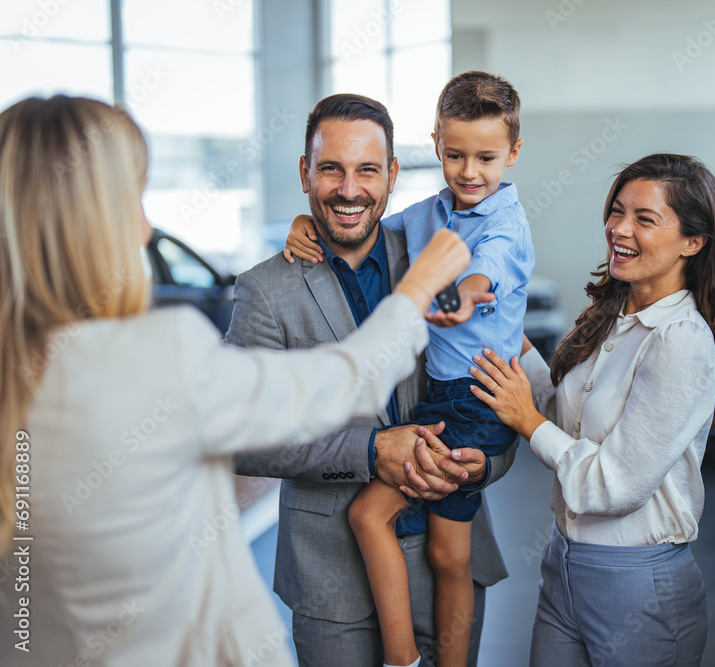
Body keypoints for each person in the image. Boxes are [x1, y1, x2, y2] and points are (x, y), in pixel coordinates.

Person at [0, 95, 472, 667]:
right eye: (133, 198)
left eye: (367, 169)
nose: (147, 227)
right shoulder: (163, 351)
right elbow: (345, 382)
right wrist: (417, 292)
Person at [230, 91, 517, 667]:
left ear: (391, 175)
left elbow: (495, 381)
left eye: (367, 170)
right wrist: (370, 450)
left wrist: (486, 463)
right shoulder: (265, 289)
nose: (349, 189)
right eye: (330, 168)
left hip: (451, 554)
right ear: (306, 173)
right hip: (332, 578)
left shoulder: (438, 256)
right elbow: (244, 436)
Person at [470, 154, 715, 667]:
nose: (619, 229)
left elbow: (612, 485)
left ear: (693, 242)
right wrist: (502, 328)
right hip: (564, 564)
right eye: (616, 211)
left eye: (644, 218)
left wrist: (526, 421)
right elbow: (563, 418)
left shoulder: (680, 342)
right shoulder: (611, 319)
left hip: (639, 584)